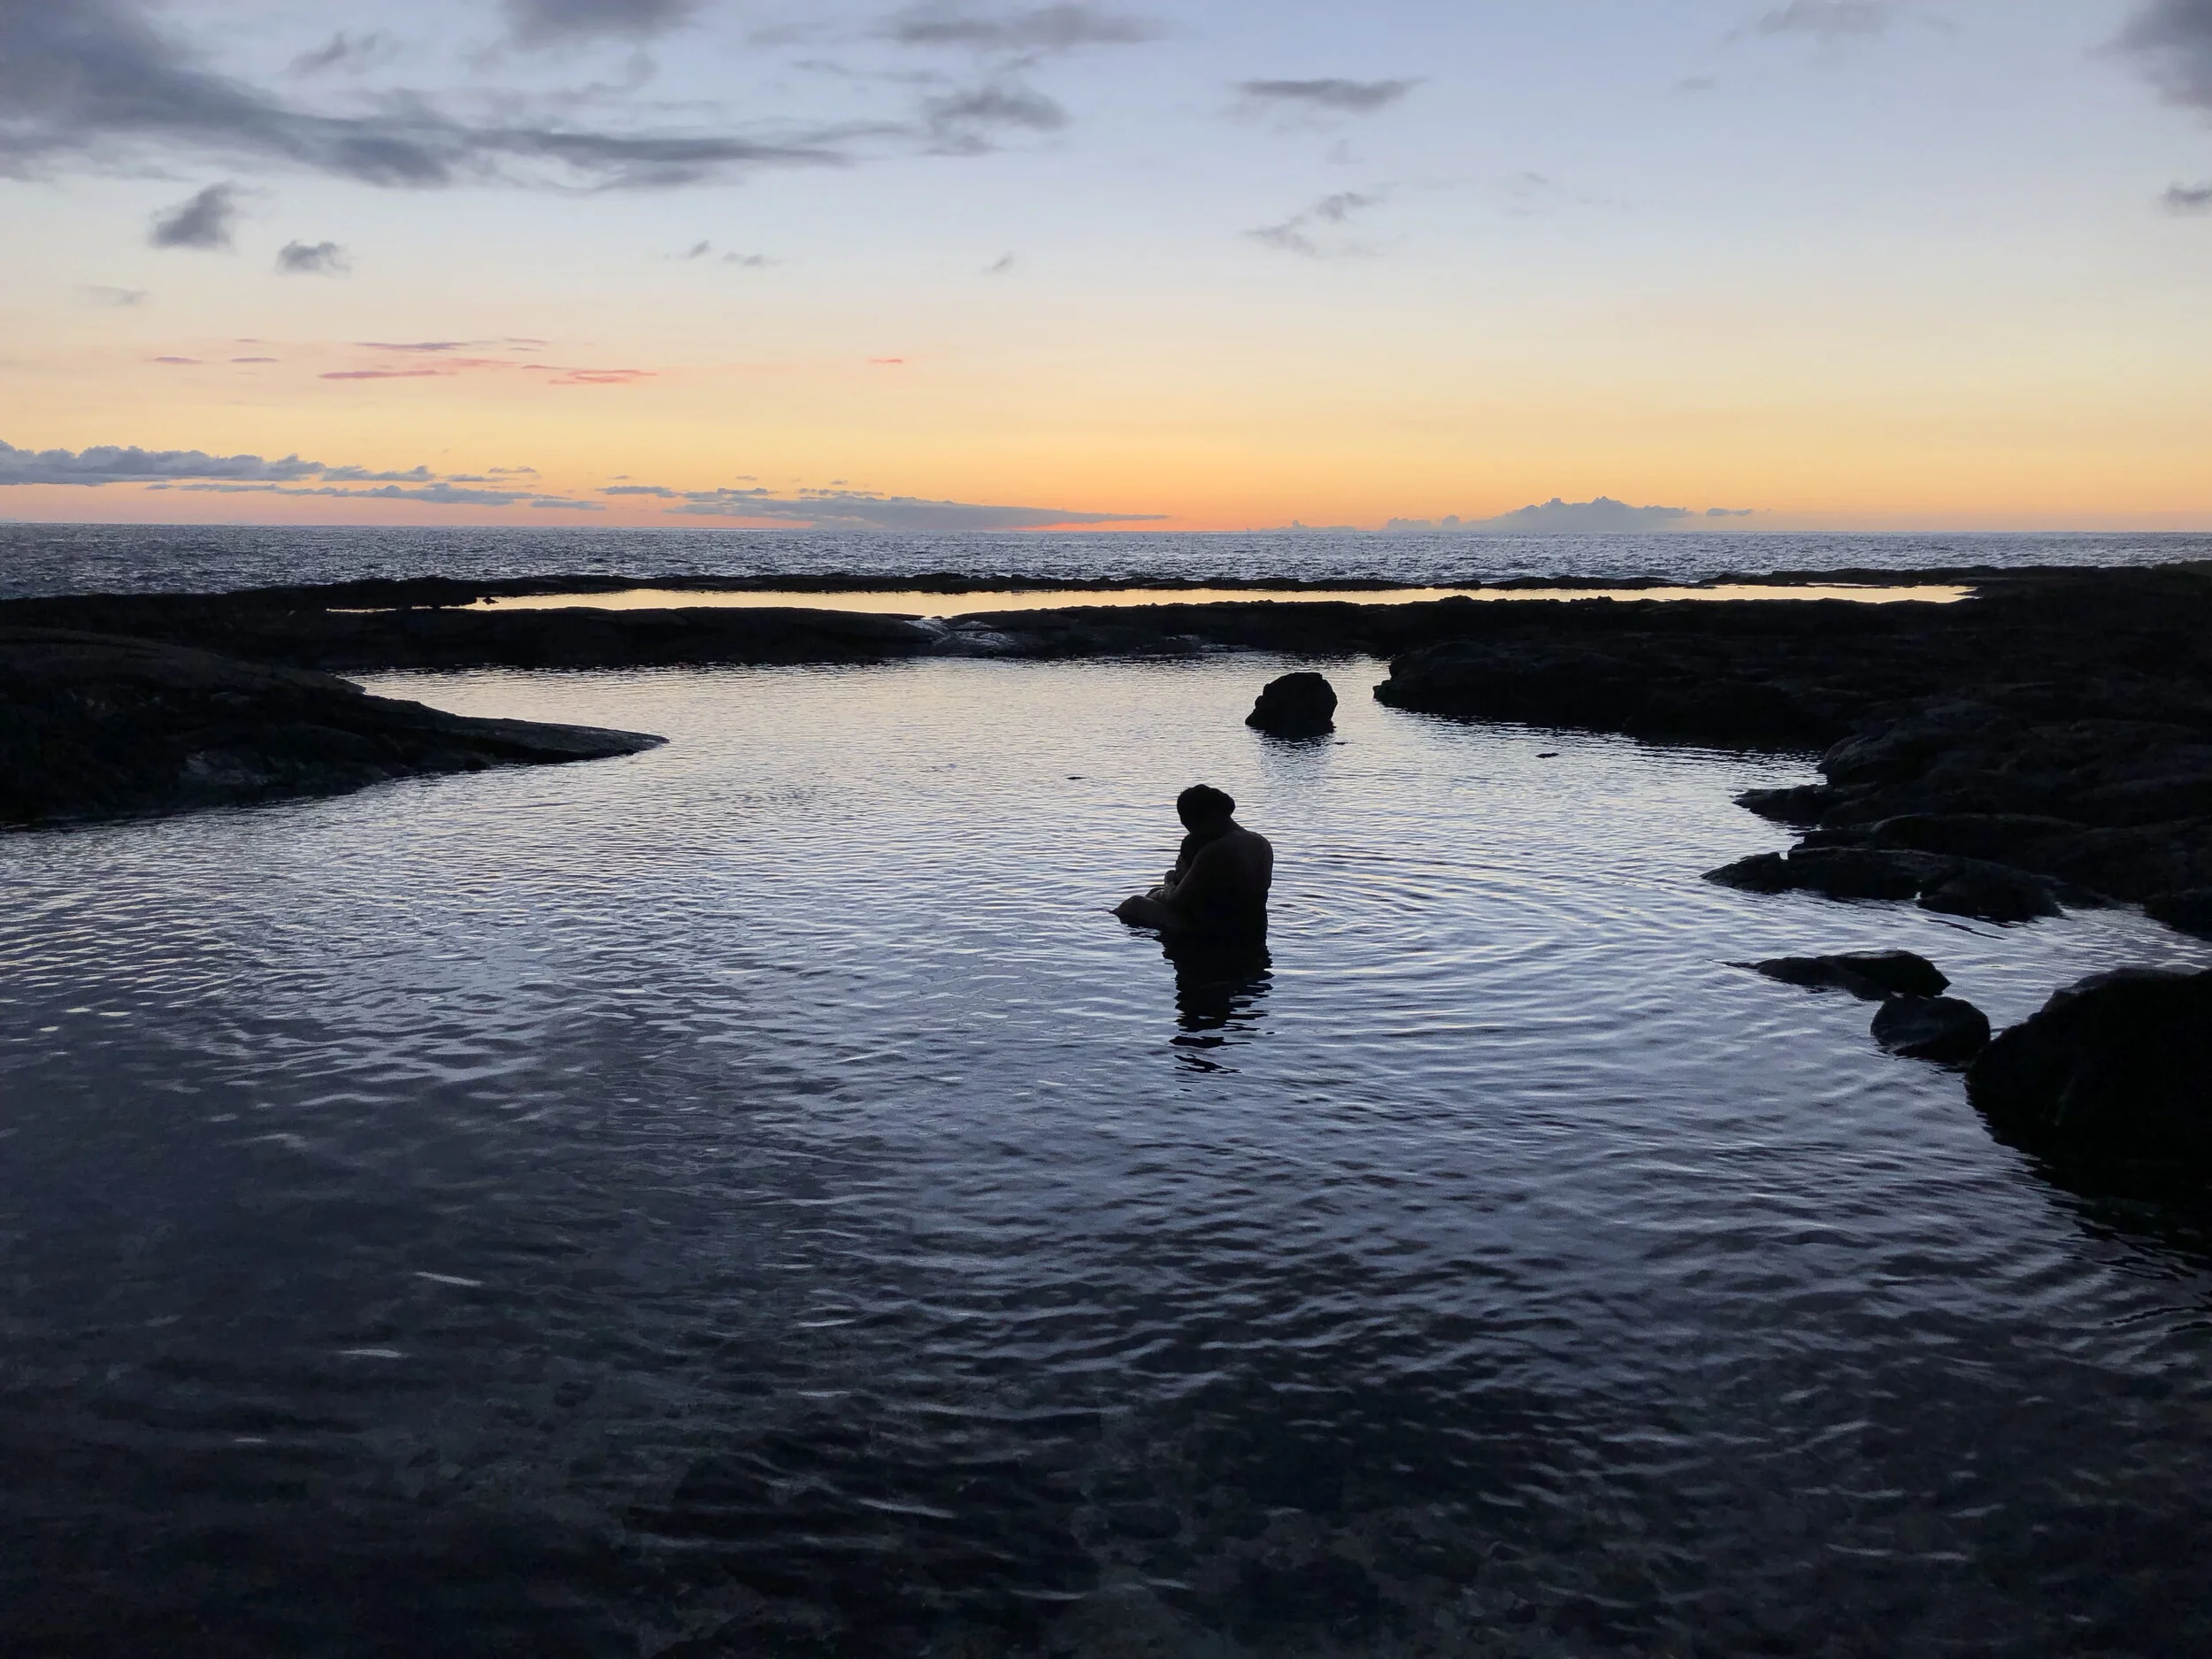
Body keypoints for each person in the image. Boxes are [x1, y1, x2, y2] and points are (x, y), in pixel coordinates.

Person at [1113, 784, 1273, 947]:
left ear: (1210, 816)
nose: (1193, 835)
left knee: (1134, 904)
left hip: (1218, 930)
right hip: (1255, 927)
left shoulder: (1216, 851)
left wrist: (1168, 882)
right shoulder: (1261, 842)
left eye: (1194, 828)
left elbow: (1177, 900)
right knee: (1155, 893)